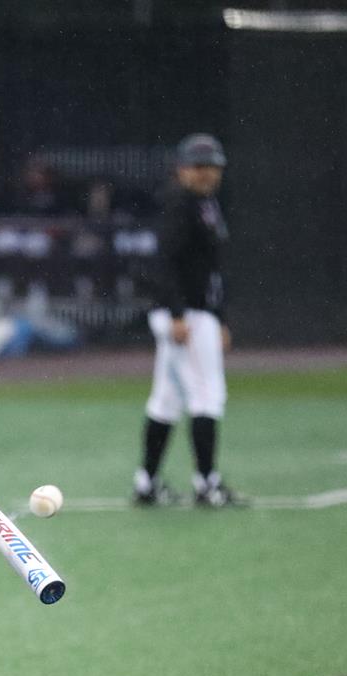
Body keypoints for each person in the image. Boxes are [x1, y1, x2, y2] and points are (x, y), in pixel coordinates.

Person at [134, 133, 244, 508]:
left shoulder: (204, 204)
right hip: (187, 316)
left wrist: (221, 317)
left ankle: (146, 483)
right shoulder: (180, 203)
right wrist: (178, 313)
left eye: (212, 166)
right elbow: (163, 263)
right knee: (207, 396)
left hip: (197, 313)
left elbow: (210, 270)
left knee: (166, 400)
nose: (207, 173)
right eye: (199, 167)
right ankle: (207, 483)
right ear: (182, 169)